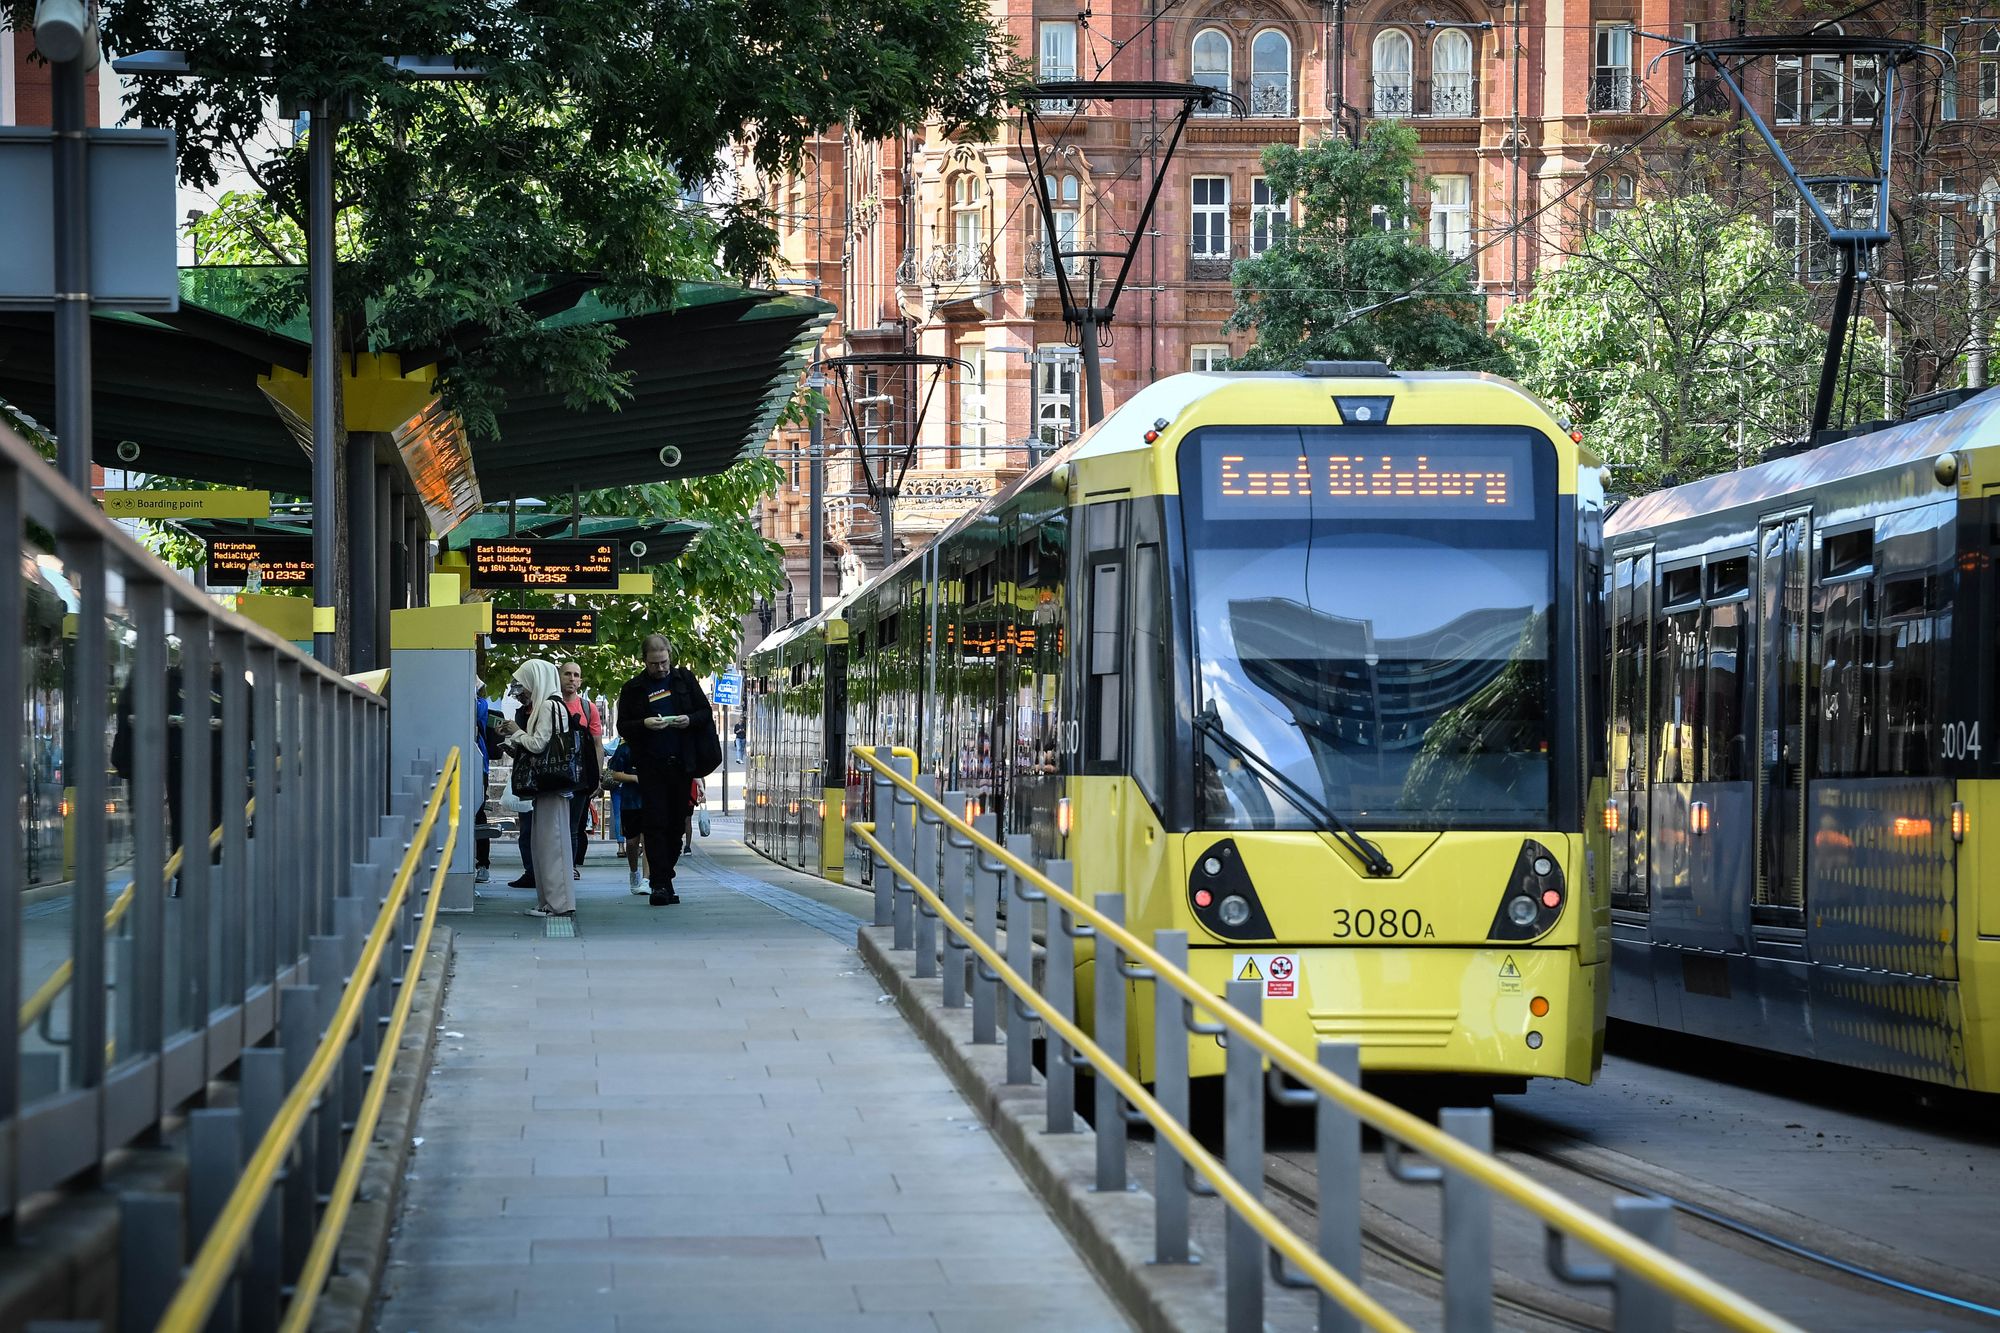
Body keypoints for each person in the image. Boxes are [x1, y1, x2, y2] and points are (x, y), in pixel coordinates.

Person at [615, 634, 715, 906]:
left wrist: (689, 720)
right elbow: (623, 726)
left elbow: (705, 714)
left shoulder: (684, 680)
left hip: (682, 764)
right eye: (654, 663)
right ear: (644, 660)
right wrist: (645, 724)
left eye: (663, 662)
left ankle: (665, 875)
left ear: (670, 656)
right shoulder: (634, 688)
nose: (660, 668)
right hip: (651, 766)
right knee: (655, 823)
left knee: (675, 825)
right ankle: (660, 883)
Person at [495, 659, 576, 918]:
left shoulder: (549, 706)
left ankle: (557, 903)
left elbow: (539, 744)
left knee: (550, 843)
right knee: (545, 843)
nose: (522, 692)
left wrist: (517, 732)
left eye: (524, 685)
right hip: (549, 786)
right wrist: (515, 741)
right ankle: (550, 901)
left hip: (549, 786)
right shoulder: (548, 705)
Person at [559, 661, 604, 880]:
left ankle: (570, 866)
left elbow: (597, 745)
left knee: (574, 825)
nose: (572, 678)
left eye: (576, 675)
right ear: (559, 676)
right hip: (554, 776)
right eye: (567, 674)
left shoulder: (588, 708)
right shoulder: (550, 705)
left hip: (580, 777)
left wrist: (597, 779)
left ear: (580, 680)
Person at [604, 738, 648, 894]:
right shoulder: (625, 749)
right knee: (632, 842)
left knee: (647, 839)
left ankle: (646, 879)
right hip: (630, 802)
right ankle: (634, 872)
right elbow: (613, 773)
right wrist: (635, 778)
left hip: (650, 801)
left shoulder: (655, 746)